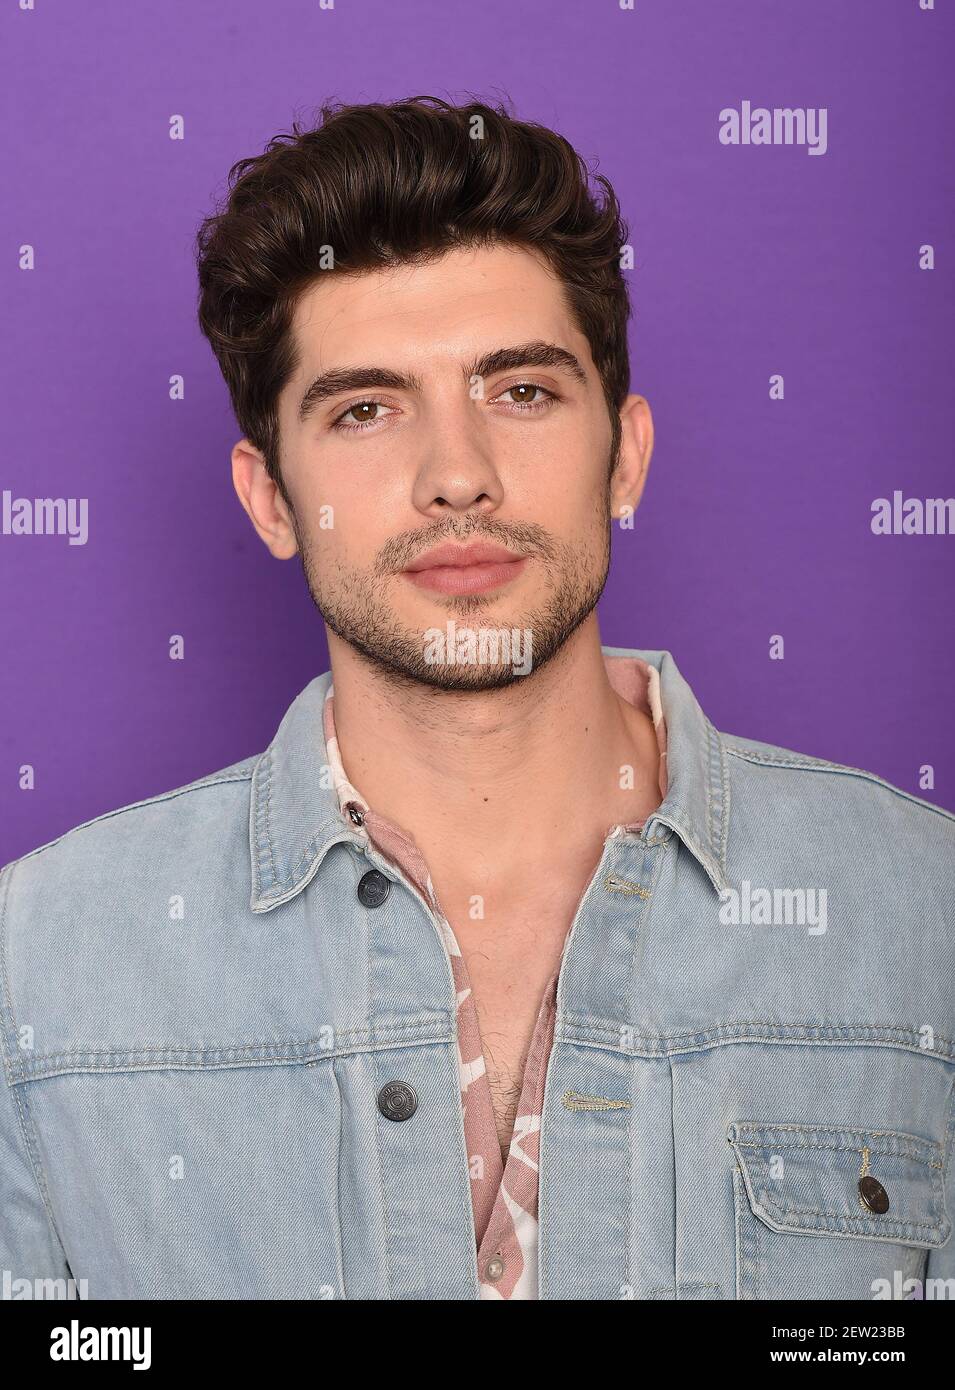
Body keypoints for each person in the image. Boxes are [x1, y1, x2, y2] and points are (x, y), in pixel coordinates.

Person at [2, 96, 953, 1302]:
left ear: (627, 455)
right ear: (270, 500)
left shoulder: (922, 921)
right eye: (364, 409)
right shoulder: (38, 970)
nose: (457, 475)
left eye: (521, 392)